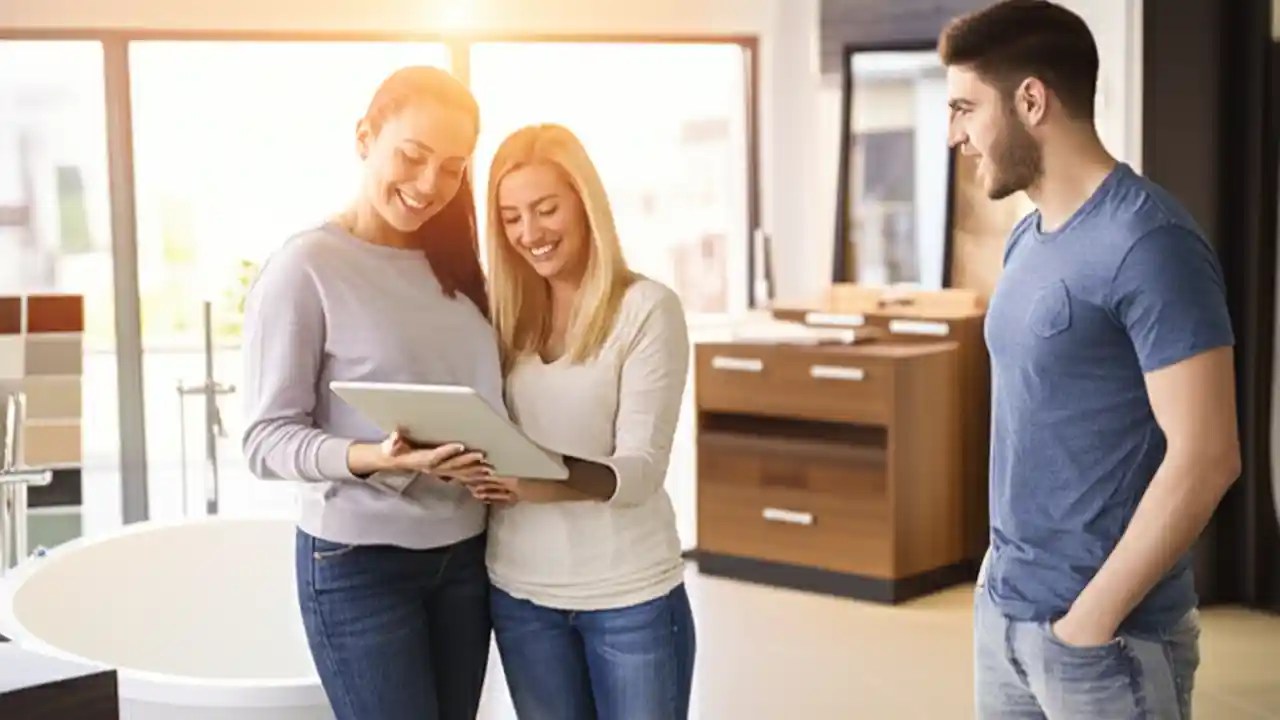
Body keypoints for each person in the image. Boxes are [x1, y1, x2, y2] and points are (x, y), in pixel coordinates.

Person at [938, 2, 1241, 718]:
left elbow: (1208, 456)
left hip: (1107, 643)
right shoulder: (1029, 238)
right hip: (1006, 619)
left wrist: (1090, 622)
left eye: (964, 108)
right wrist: (996, 579)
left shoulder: (1150, 242)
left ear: (1031, 99)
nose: (955, 135)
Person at [240, 66, 498, 720]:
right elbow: (265, 439)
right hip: (359, 566)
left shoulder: (462, 271)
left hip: (467, 556)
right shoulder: (306, 267)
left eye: (452, 168)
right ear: (364, 138)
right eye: (412, 157)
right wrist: (375, 457)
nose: (428, 186)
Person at [457, 123, 695, 720]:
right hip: (519, 594)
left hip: (629, 597)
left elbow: (640, 470)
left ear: (584, 204)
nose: (530, 234)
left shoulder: (646, 309)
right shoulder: (501, 315)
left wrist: (538, 480)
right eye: (511, 217)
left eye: (545, 209)